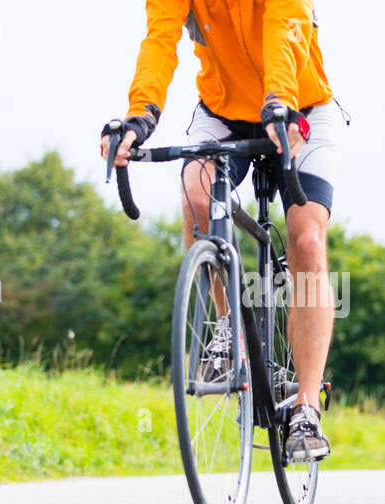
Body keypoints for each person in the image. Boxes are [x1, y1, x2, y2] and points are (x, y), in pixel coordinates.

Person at [100, 1, 339, 461]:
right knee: (196, 197)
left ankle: (307, 407)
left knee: (307, 241)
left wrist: (280, 100)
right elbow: (159, 41)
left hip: (298, 106)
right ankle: (228, 326)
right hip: (224, 112)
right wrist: (139, 117)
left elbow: (285, 29)